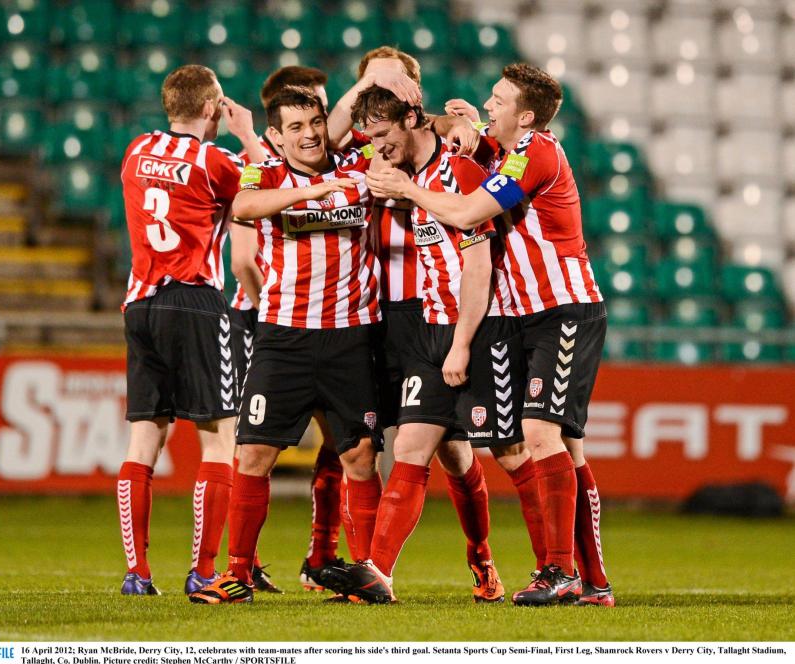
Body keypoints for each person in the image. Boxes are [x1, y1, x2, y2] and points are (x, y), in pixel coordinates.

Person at [366, 63, 613, 607]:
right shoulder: (499, 154)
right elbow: (448, 135)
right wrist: (447, 120)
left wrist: (407, 188)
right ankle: (591, 582)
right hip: (521, 316)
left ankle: (559, 571)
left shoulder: (535, 152)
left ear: (525, 116)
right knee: (566, 448)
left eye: (499, 100)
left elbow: (469, 211)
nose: (488, 104)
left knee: (540, 435)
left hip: (562, 308)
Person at [317, 85, 515, 605]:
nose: (376, 148)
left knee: (509, 455)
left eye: (383, 136)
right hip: (427, 329)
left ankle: (530, 565)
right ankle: (377, 575)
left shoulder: (460, 172)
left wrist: (463, 344)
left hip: (475, 329)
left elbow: (478, 263)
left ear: (411, 119)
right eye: (370, 139)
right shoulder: (410, 177)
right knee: (418, 449)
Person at [189, 87, 383, 604]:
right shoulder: (266, 174)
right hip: (283, 338)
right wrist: (311, 192)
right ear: (275, 136)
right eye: (295, 127)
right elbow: (244, 205)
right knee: (252, 454)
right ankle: (238, 574)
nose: (310, 133)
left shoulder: (360, 166)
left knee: (360, 457)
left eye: (314, 122)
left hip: (350, 336)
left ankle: (368, 577)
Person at [116, 64, 250, 596]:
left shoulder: (133, 149)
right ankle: (202, 571)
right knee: (220, 437)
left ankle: (136, 573)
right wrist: (246, 135)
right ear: (212, 107)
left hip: (139, 302)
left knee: (144, 437)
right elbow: (262, 189)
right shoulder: (215, 161)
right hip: (195, 299)